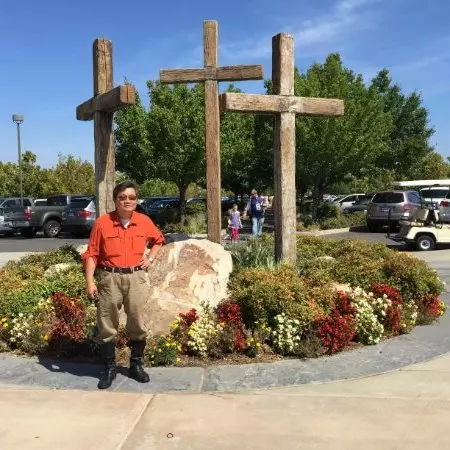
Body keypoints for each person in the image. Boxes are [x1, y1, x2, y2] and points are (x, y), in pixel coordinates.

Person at [82, 181, 164, 390]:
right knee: (107, 324)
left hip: (136, 278)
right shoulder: (102, 223)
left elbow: (158, 240)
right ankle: (109, 368)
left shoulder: (144, 221)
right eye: (123, 197)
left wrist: (150, 258)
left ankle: (136, 366)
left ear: (136, 200)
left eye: (132, 197)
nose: (127, 201)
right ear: (115, 199)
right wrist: (90, 281)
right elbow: (92, 254)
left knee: (136, 322)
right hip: (110, 279)